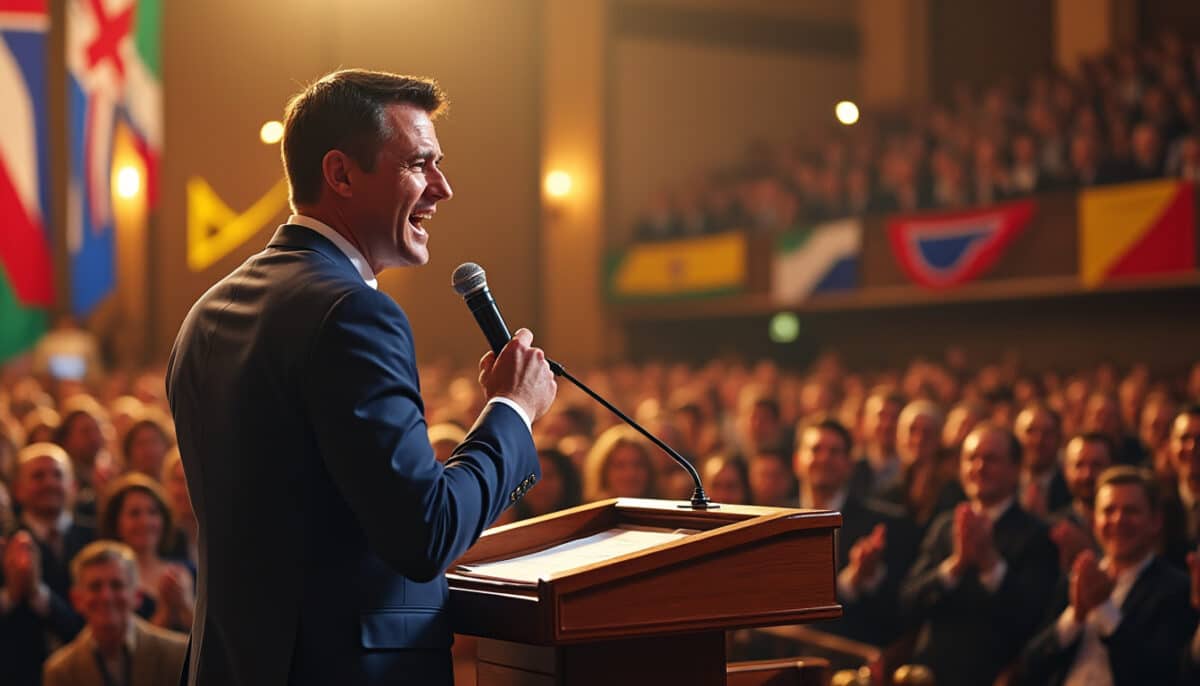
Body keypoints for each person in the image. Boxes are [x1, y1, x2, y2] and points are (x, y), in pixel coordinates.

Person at [165, 69, 556, 686]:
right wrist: (512, 410)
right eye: (419, 164)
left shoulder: (209, 310)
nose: (442, 188)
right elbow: (424, 533)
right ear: (341, 174)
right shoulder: (354, 313)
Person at [901, 423, 1059, 686]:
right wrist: (955, 566)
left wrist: (990, 564)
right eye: (971, 458)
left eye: (991, 459)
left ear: (1016, 469)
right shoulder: (944, 525)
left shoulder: (1037, 535)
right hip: (930, 675)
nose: (979, 467)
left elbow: (1031, 618)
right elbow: (907, 603)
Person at [1018, 467, 1198, 685]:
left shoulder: (1176, 589)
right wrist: (1075, 616)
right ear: (1094, 521)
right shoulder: (1078, 577)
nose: (1118, 520)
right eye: (1109, 511)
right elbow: (1030, 665)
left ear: (1156, 521)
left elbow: (1158, 673)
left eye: (1131, 511)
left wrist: (1104, 608)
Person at [42, 541, 187, 686]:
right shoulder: (60, 671)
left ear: (137, 595)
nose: (106, 597)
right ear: (77, 599)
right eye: (95, 587)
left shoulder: (180, 655)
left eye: (117, 585)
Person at [99, 473, 195, 632]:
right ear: (116, 521)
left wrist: (186, 606)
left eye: (153, 512)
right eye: (134, 513)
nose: (145, 522)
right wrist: (165, 613)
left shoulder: (188, 571)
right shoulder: (109, 581)